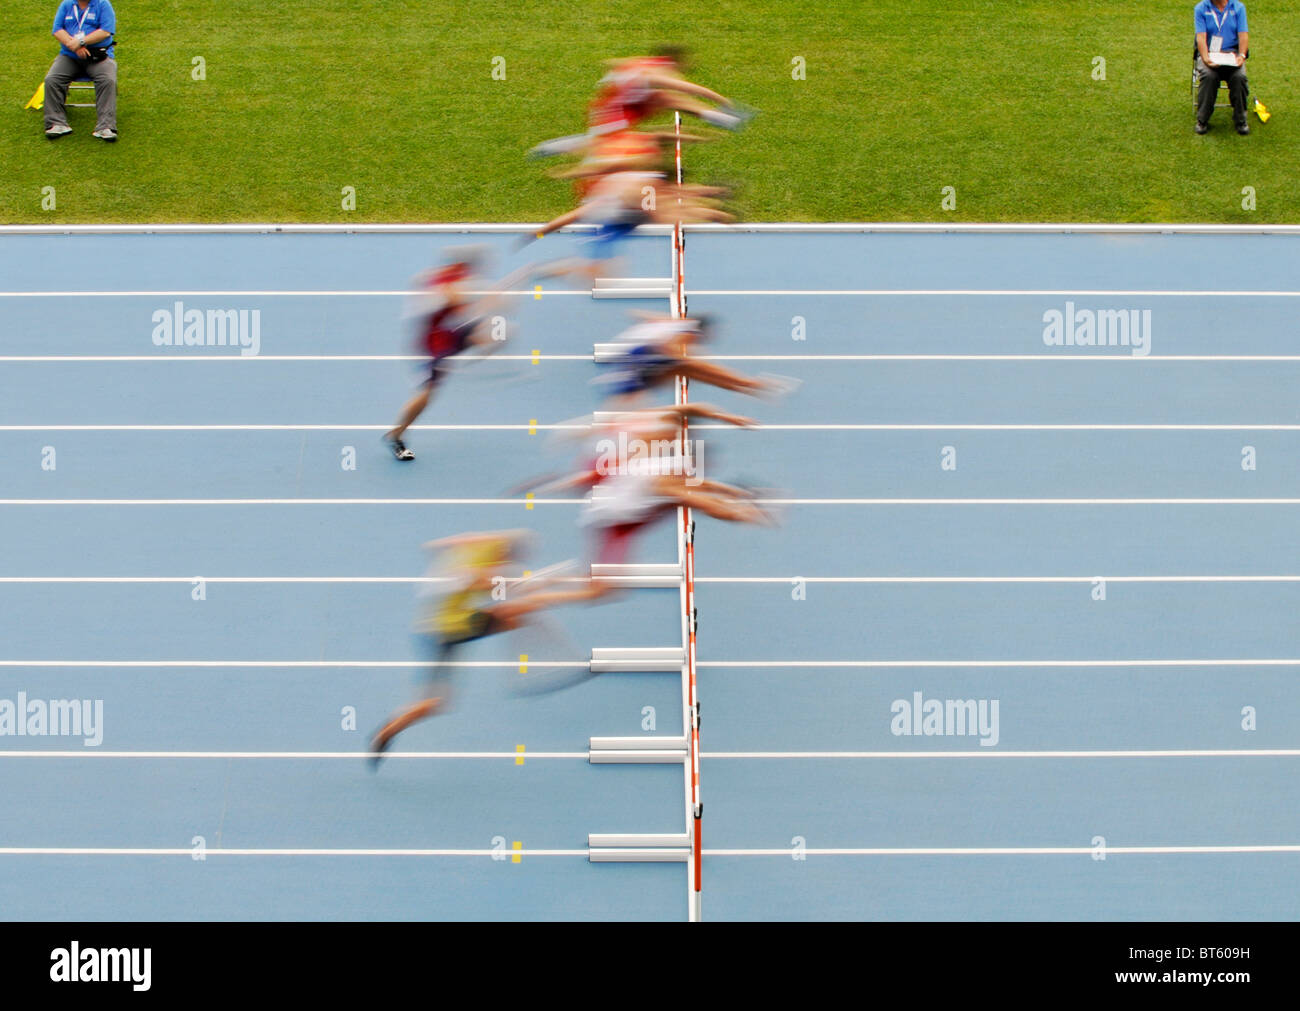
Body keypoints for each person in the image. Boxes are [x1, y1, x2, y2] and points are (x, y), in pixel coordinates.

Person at [369, 531, 578, 764]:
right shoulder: (482, 569)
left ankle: (388, 730)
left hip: (431, 628)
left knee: (433, 703)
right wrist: (552, 579)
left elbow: (452, 543)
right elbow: (502, 588)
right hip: (451, 628)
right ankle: (528, 667)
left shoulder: (482, 546)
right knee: (520, 612)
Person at [44, 0, 118, 142]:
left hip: (97, 57)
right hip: (70, 56)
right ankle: (56, 123)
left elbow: (106, 31)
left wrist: (82, 41)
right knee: (52, 79)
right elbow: (57, 30)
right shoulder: (67, 5)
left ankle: (105, 126)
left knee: (107, 80)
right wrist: (75, 46)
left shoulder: (103, 4)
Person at [1194, 0, 1250, 135]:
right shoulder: (1201, 8)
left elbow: (1243, 35)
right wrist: (1206, 58)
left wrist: (1241, 55)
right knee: (1209, 76)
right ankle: (1202, 120)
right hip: (1209, 54)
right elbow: (1201, 38)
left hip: (1232, 54)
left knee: (1239, 77)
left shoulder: (1238, 8)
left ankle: (1241, 120)